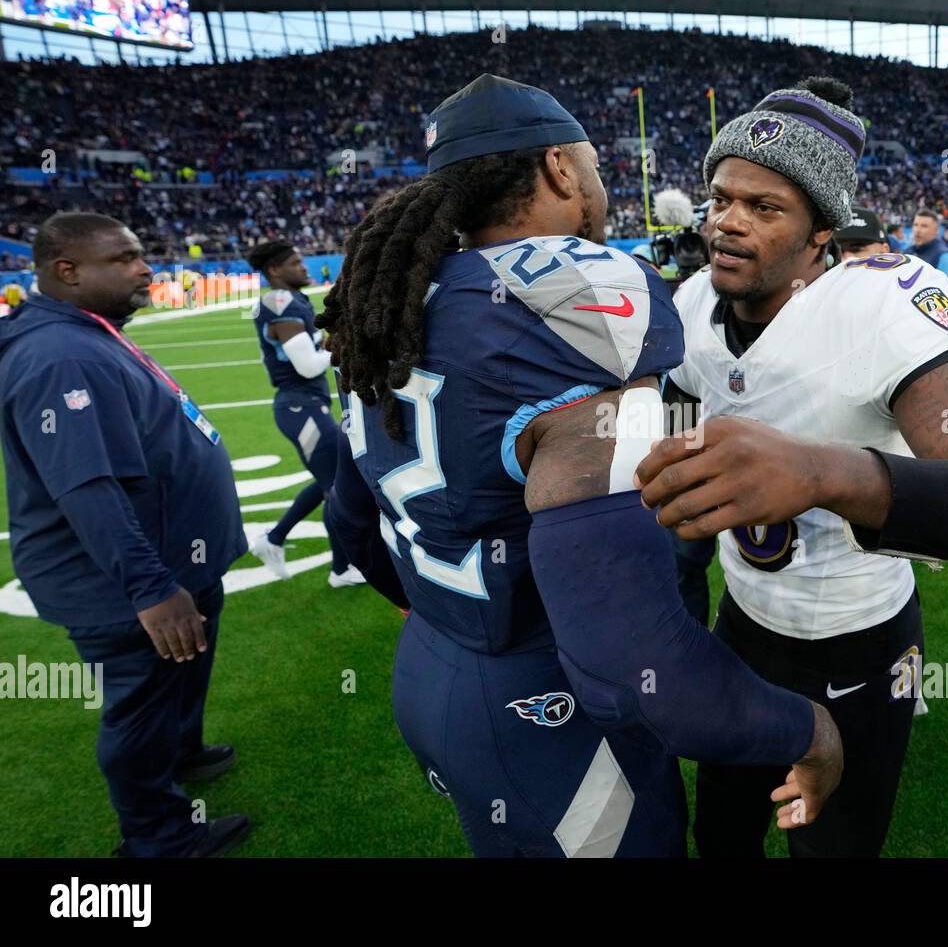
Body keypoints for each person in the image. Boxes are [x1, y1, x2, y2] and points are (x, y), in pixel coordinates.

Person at [320, 74, 844, 858]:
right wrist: (812, 731)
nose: (600, 186)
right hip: (547, 709)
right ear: (562, 169)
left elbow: (349, 519)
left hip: (435, 669)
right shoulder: (576, 289)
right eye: (595, 167)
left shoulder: (394, 296)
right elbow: (633, 664)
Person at [645, 76, 948, 858]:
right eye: (720, 197)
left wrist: (828, 474)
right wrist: (678, 476)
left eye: (764, 208)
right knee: (724, 831)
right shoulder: (696, 300)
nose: (727, 223)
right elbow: (684, 397)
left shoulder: (877, 305)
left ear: (821, 235)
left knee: (834, 844)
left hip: (860, 639)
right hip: (744, 625)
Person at [0, 212, 250, 857]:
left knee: (177, 678)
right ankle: (155, 836)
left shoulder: (83, 331)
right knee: (138, 702)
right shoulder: (60, 355)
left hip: (172, 559)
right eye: (127, 259)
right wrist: (150, 588)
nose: (146, 269)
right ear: (68, 272)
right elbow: (86, 486)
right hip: (124, 580)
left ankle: (181, 753)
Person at [246, 241, 365, 588]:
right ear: (274, 271)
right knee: (337, 489)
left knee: (331, 479)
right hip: (299, 407)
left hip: (306, 406)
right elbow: (309, 365)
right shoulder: (279, 301)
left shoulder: (292, 300)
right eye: (295, 263)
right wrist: (347, 342)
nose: (304, 267)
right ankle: (341, 569)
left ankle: (274, 539)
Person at [904, 209, 948, 307]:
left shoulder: (944, 257)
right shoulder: (908, 252)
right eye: (915, 225)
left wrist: (921, 299)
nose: (918, 230)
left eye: (924, 226)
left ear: (936, 230)